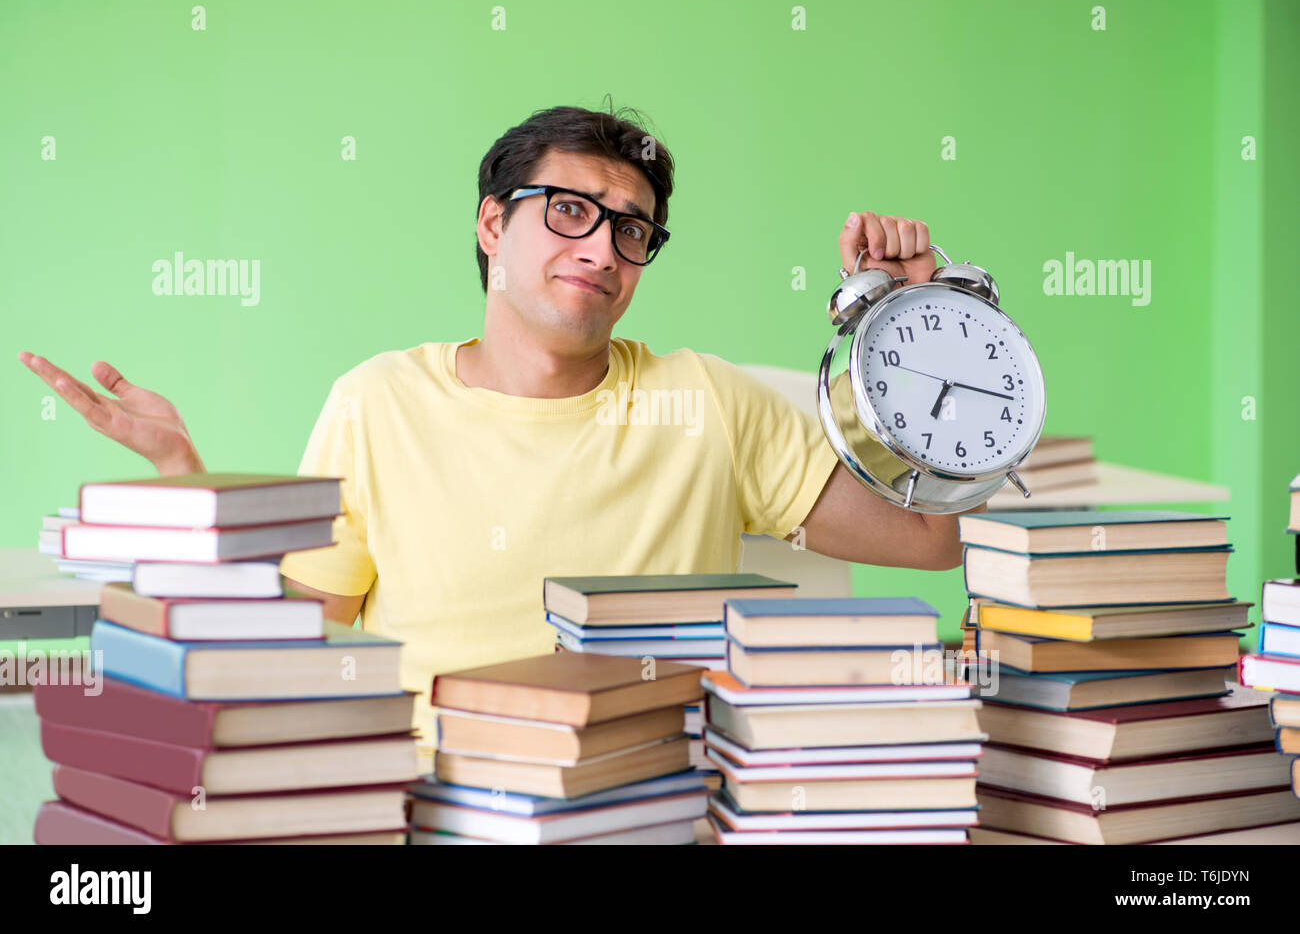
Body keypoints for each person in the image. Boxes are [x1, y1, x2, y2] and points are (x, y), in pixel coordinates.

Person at [18, 103, 983, 749]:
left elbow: (932, 537)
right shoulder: (376, 402)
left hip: (639, 807)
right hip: (428, 810)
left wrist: (918, 326)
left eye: (631, 228)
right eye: (569, 211)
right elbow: (278, 646)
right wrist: (185, 475)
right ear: (492, 226)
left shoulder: (710, 402)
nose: (602, 248)